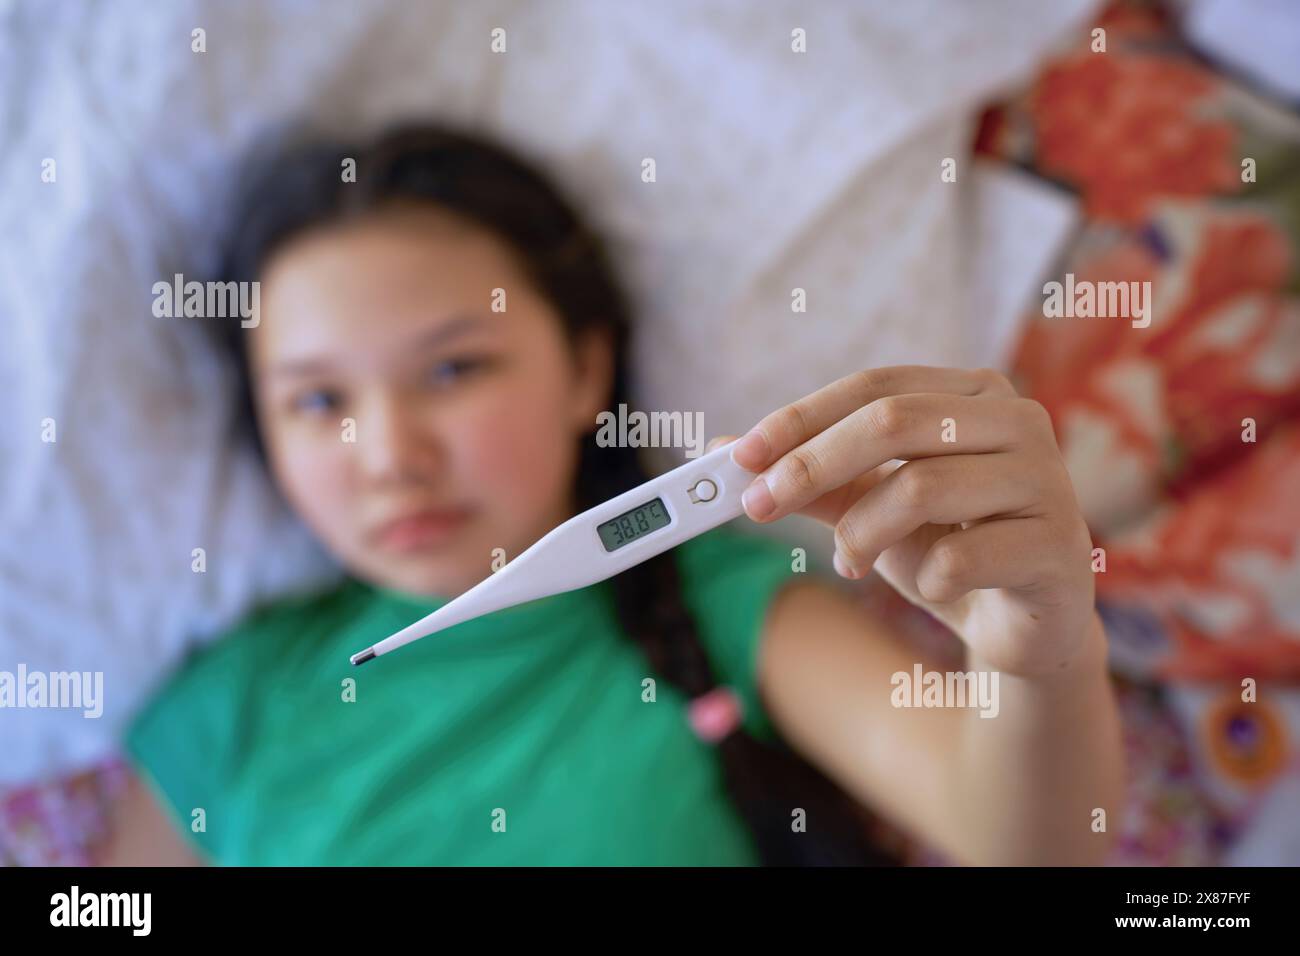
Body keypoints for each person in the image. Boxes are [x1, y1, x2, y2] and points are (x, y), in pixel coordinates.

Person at [101, 124, 1124, 866]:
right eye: (318, 400)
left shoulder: (719, 602)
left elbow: (1035, 845)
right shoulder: (232, 699)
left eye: (454, 370)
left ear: (586, 370)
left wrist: (1035, 652)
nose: (388, 456)